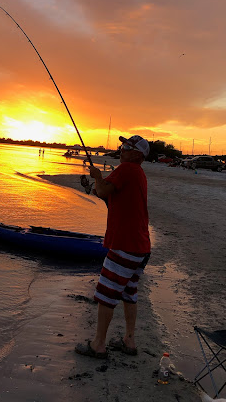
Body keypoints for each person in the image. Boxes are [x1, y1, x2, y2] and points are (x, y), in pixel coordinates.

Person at [75, 135, 151, 359]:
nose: (121, 149)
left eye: (126, 147)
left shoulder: (127, 168)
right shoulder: (138, 173)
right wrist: (99, 183)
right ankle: (129, 340)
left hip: (125, 244)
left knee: (107, 292)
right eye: (122, 146)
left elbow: (103, 191)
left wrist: (97, 177)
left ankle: (98, 344)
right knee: (129, 292)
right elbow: (111, 195)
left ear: (137, 154)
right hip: (140, 245)